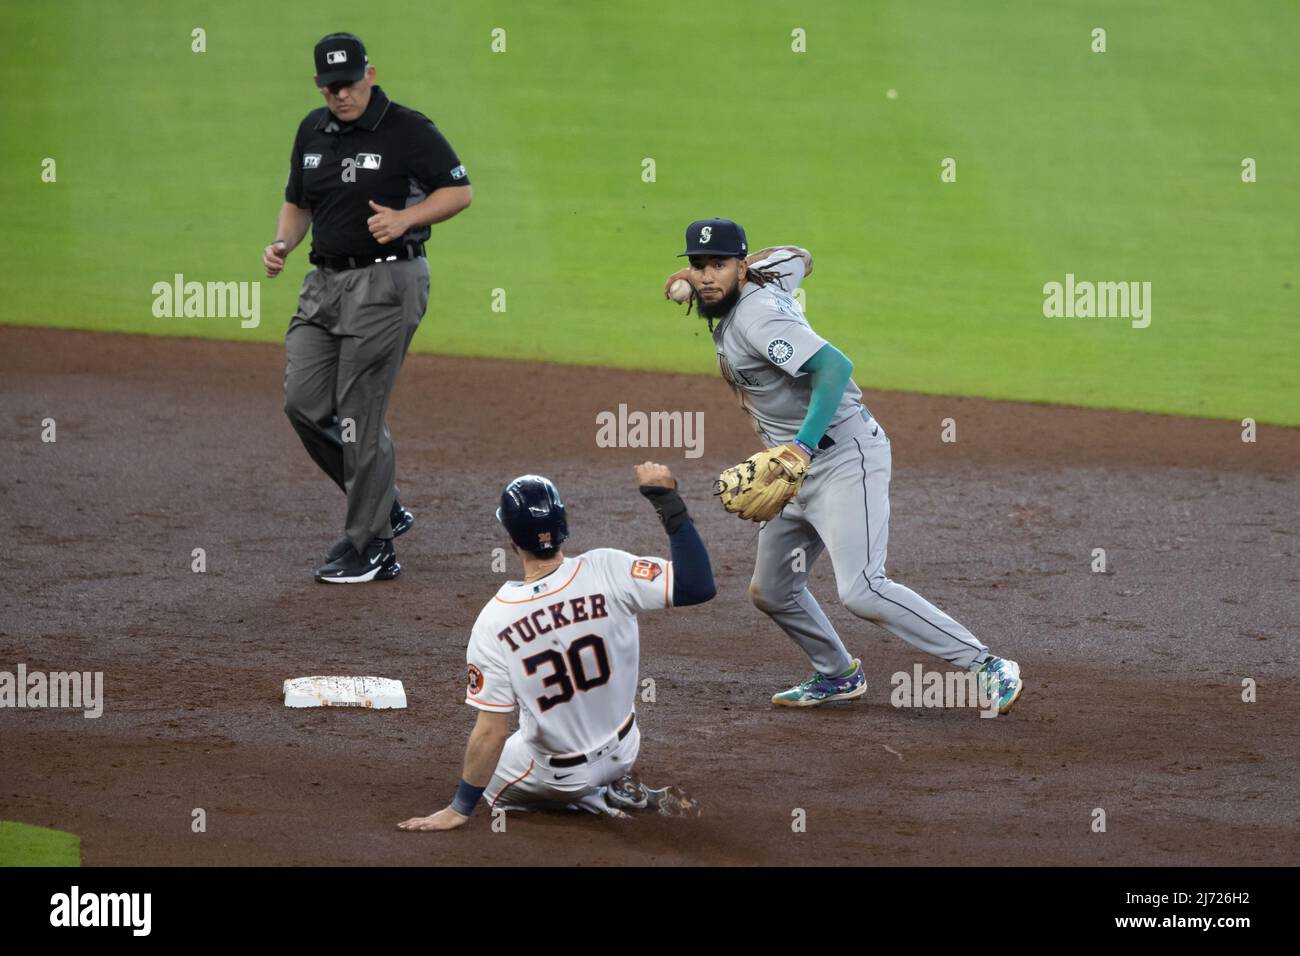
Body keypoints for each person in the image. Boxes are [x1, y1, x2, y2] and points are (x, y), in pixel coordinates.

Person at [661, 218, 1023, 712]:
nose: (706, 276)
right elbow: (799, 256)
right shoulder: (767, 274)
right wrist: (695, 282)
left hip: (839, 457)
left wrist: (801, 449)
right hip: (793, 471)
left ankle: (987, 665)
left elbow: (835, 368)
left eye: (718, 266)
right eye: (697, 265)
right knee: (772, 589)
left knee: (863, 590)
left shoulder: (757, 319)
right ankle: (837, 674)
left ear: (741, 268)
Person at [397, 463, 715, 831]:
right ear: (564, 527)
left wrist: (458, 809)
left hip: (559, 777)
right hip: (626, 749)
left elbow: (491, 731)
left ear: (511, 540)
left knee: (493, 788)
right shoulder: (608, 568)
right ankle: (615, 784)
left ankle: (594, 799)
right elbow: (697, 585)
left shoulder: (494, 621)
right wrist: (666, 498)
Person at [263, 32, 472, 583]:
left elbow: (459, 191)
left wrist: (406, 219)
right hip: (323, 283)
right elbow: (298, 201)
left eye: (350, 83)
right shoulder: (312, 129)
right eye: (331, 87)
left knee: (360, 415)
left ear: (369, 74)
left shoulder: (407, 129)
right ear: (319, 86)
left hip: (388, 284)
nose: (342, 95)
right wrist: (283, 243)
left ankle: (371, 546)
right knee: (303, 404)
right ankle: (382, 503)